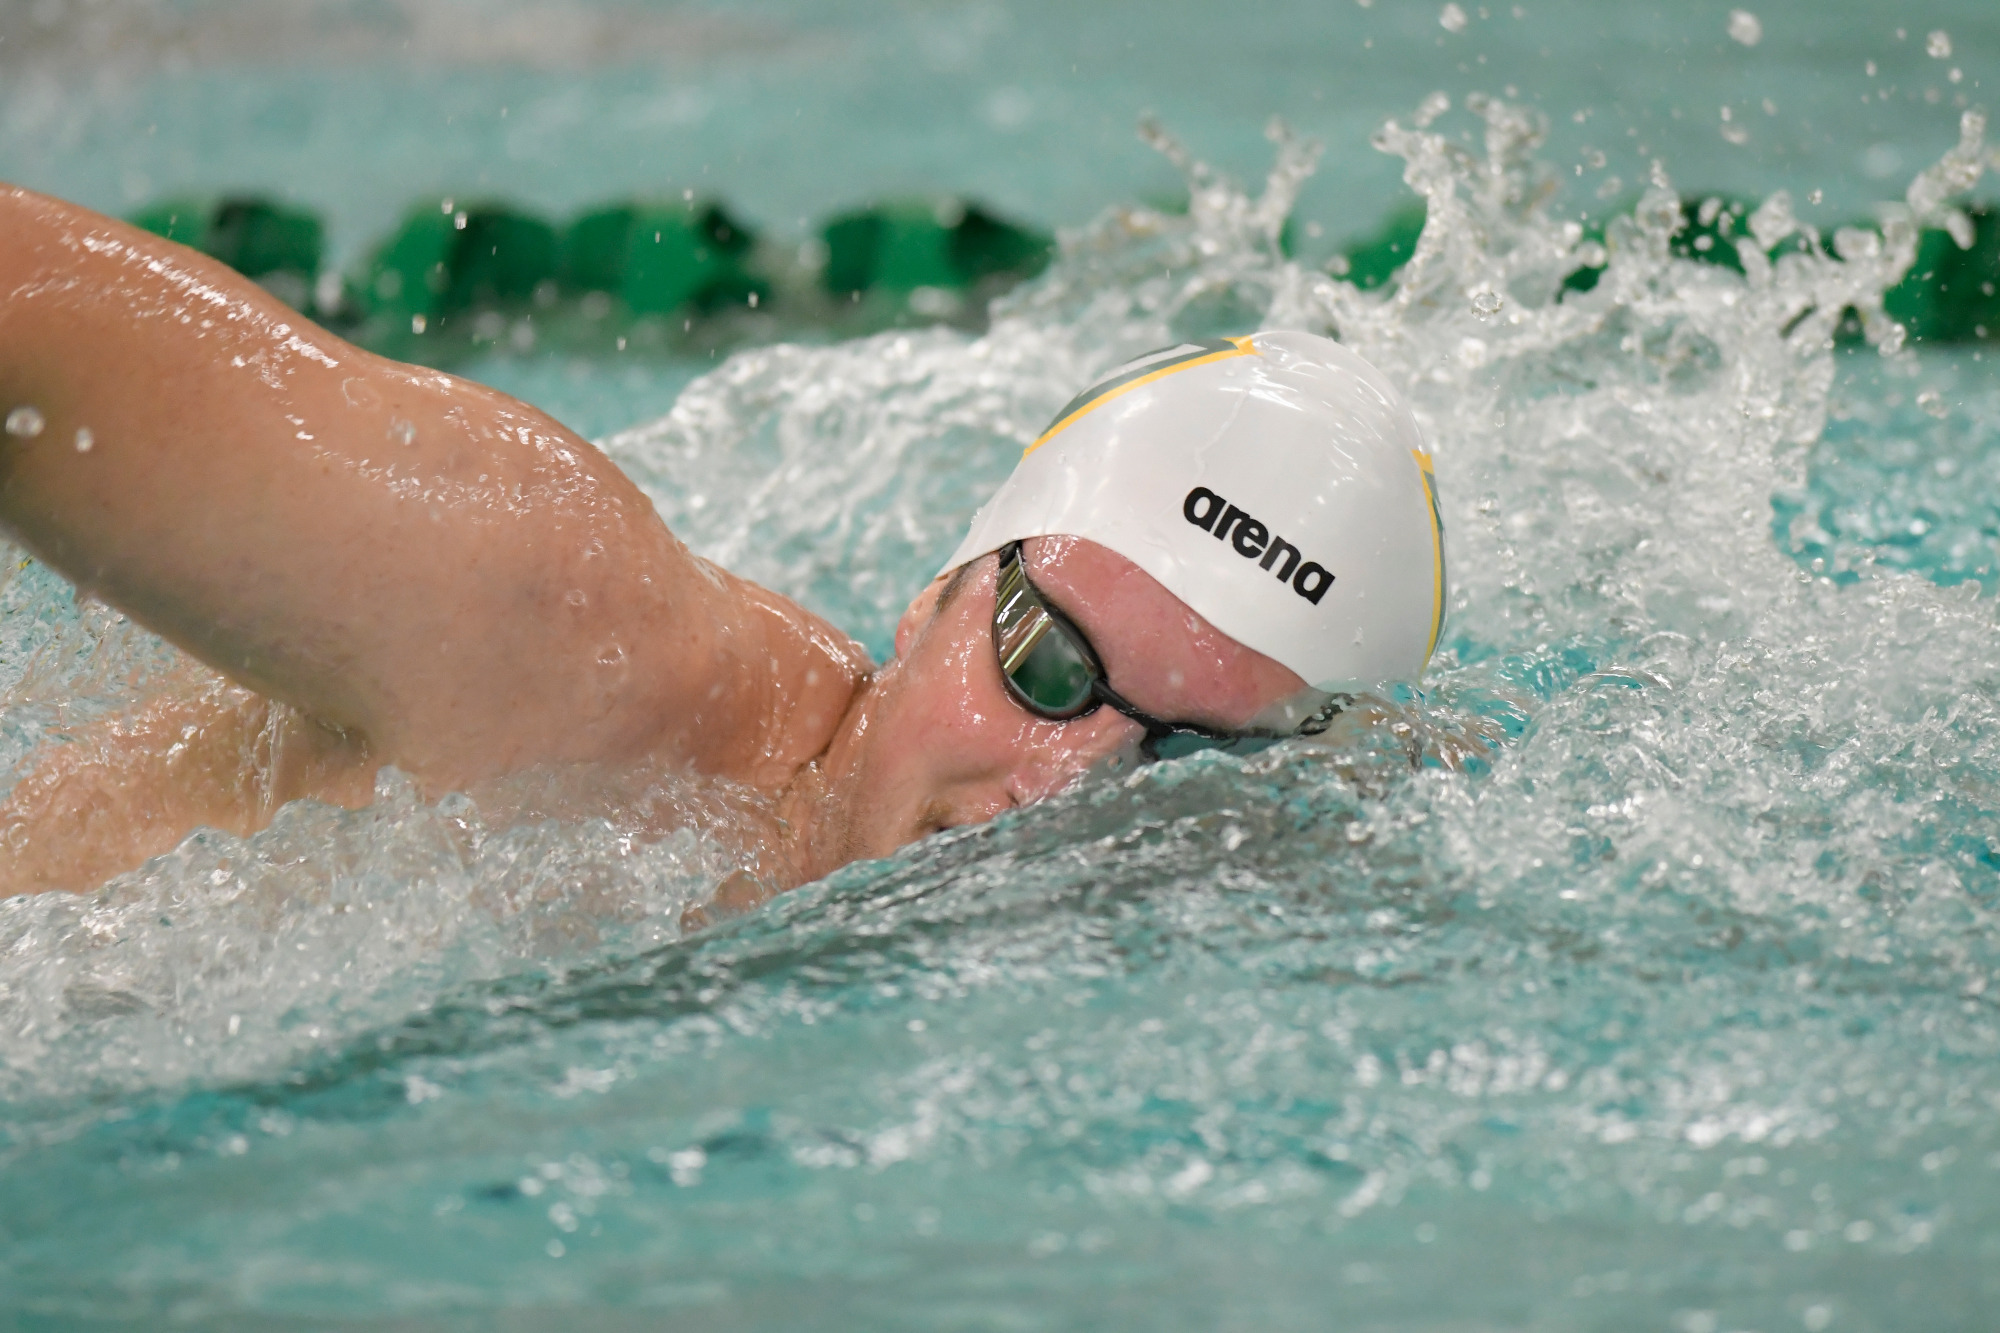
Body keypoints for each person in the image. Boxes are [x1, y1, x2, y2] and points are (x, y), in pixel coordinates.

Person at [0, 186, 1446, 900]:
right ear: (937, 593)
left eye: (1184, 757)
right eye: (1049, 668)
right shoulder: (566, 639)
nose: (1064, 791)